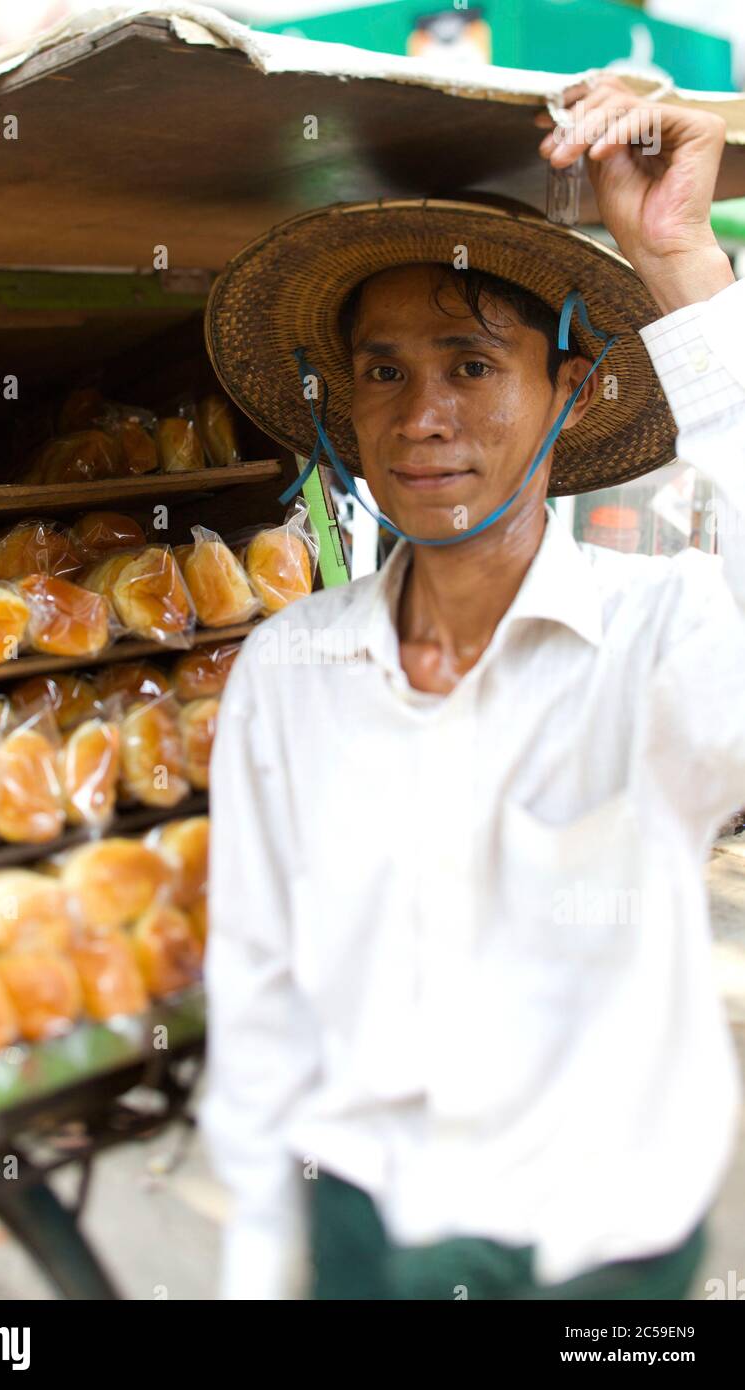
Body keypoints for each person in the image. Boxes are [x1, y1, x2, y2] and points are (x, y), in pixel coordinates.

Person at [200, 76, 745, 1299]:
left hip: (596, 1245)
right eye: (382, 372)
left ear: (573, 389)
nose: (422, 417)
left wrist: (675, 263)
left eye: (471, 363)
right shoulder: (287, 672)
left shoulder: (661, 640)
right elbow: (258, 981)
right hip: (360, 1217)